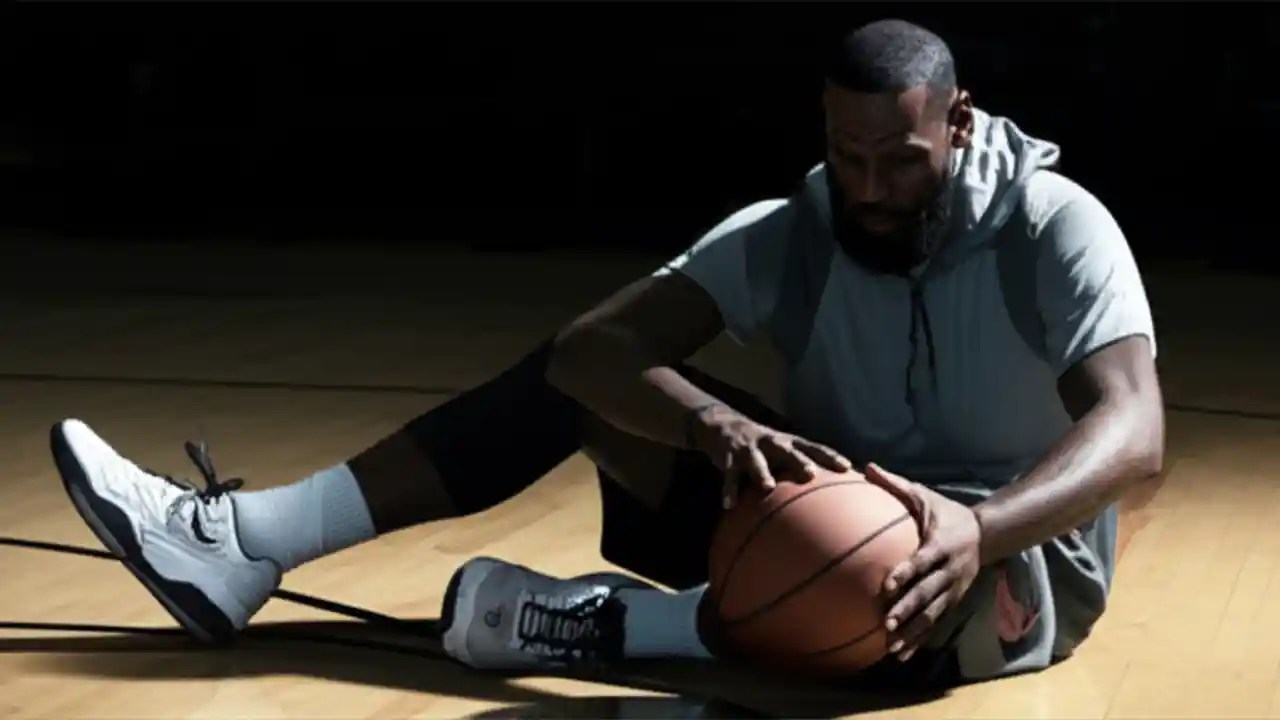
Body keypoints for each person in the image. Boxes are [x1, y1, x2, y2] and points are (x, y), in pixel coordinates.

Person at [50, 18, 1165, 688]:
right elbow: (593, 350)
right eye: (847, 156)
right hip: (836, 516)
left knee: (875, 572)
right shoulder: (795, 233)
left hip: (1009, 560)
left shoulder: (1048, 226)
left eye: (901, 162)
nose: (870, 191)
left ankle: (617, 624)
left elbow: (1131, 432)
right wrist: (704, 420)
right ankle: (245, 541)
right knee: (585, 381)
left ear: (957, 120)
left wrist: (979, 527)